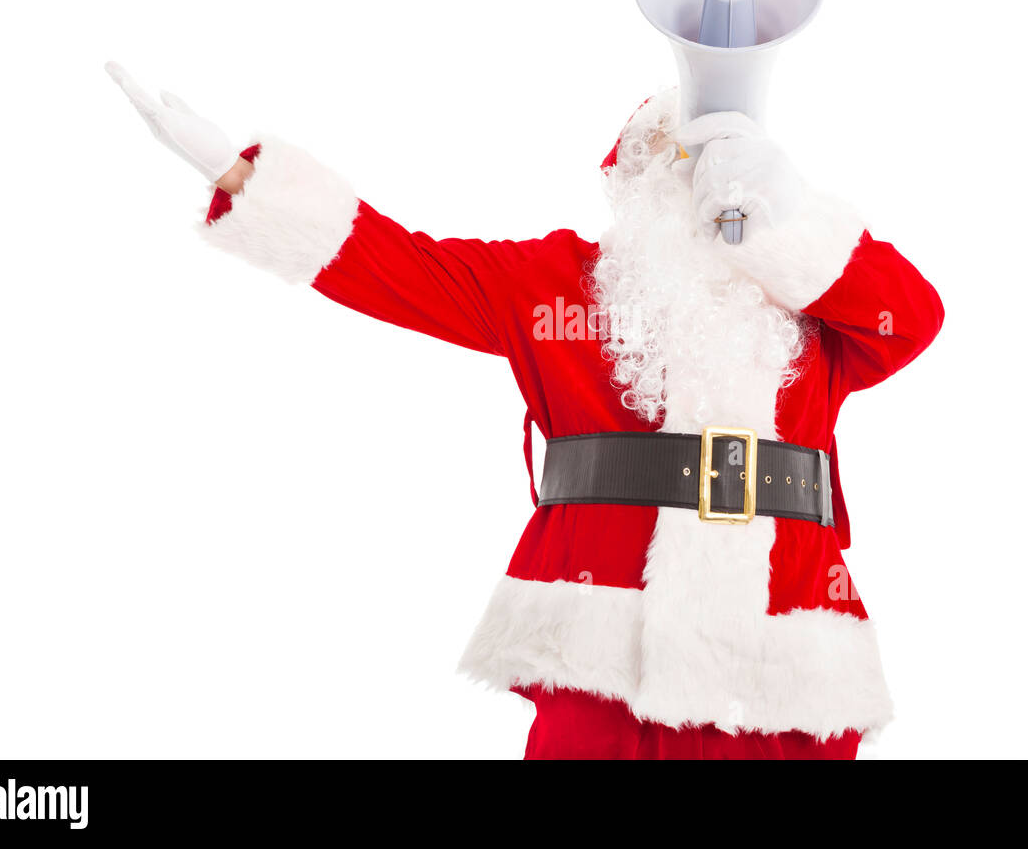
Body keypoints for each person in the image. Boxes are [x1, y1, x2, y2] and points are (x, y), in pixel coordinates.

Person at [107, 64, 944, 759]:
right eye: (673, 161)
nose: (692, 183)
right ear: (631, 183)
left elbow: (912, 318)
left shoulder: (814, 302)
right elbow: (403, 268)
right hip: (604, 656)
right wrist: (241, 179)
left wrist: (786, 218)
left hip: (784, 657)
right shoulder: (555, 284)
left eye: (715, 169)